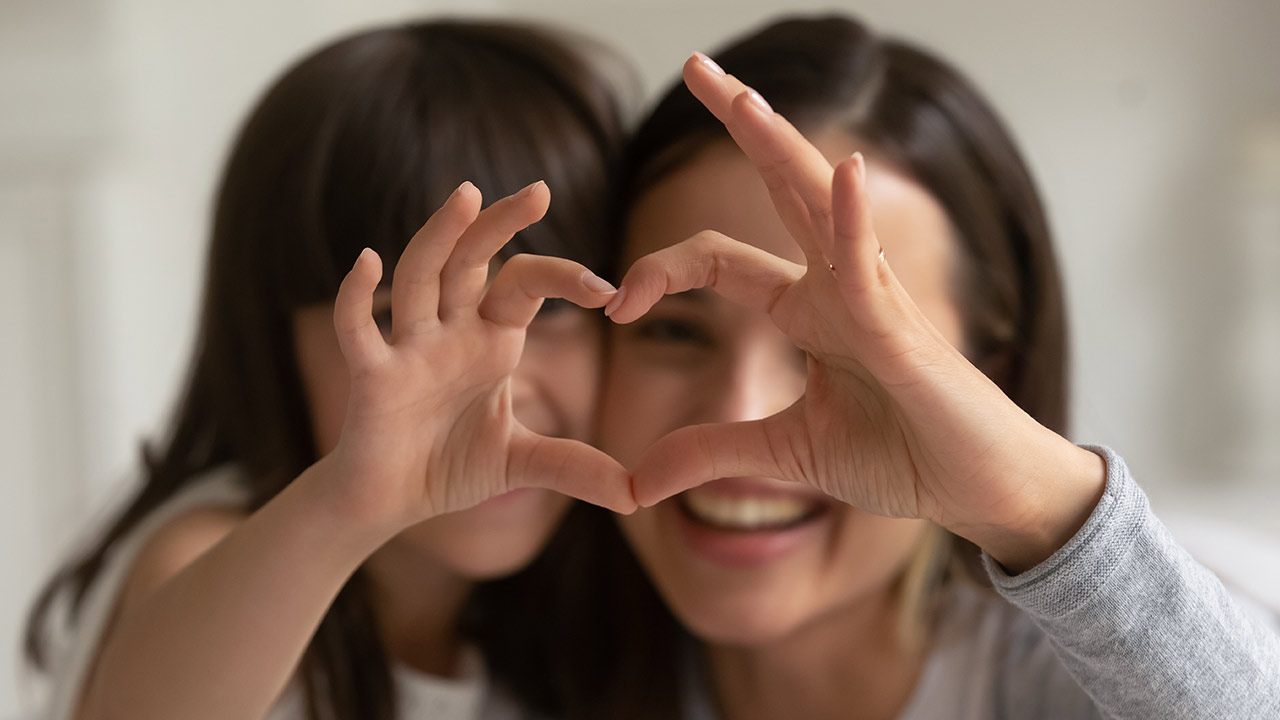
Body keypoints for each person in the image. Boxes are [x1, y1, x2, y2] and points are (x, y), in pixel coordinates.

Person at [556, 14, 1280, 719]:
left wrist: (1042, 510)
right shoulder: (522, 674)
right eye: (675, 332)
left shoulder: (1082, 677)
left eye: (846, 351)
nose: (740, 412)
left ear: (990, 374)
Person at [23, 19, 635, 720]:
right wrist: (349, 504)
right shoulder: (213, 552)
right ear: (271, 342)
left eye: (546, 308)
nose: (489, 387)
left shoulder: (558, 619)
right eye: (394, 319)